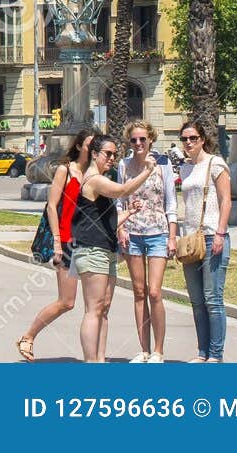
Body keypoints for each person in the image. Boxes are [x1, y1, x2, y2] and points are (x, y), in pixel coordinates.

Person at [17, 128, 97, 361]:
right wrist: (57, 243)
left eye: (96, 146)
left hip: (89, 242)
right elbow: (52, 206)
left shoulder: (96, 173)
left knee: (96, 305)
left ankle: (94, 358)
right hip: (67, 242)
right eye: (89, 145)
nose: (92, 150)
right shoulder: (65, 169)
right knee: (67, 301)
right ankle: (28, 336)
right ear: (80, 145)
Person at [72, 134, 153, 362]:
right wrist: (147, 171)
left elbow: (103, 220)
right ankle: (91, 363)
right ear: (94, 154)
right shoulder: (94, 179)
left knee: (103, 308)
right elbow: (122, 190)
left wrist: (128, 213)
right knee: (94, 308)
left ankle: (100, 359)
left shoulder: (100, 179)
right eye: (107, 153)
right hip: (92, 250)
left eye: (115, 154)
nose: (112, 157)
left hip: (105, 249)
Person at [118, 119, 176, 363]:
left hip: (157, 232)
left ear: (151, 139)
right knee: (139, 292)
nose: (138, 143)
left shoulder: (163, 164)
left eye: (143, 139)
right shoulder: (124, 164)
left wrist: (173, 236)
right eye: (134, 140)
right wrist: (120, 227)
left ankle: (158, 351)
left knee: (154, 292)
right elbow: (119, 199)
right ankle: (143, 349)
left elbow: (171, 202)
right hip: (132, 232)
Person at [178, 119, 233, 362]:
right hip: (191, 238)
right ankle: (202, 353)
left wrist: (220, 232)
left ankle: (216, 354)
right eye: (184, 139)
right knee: (197, 300)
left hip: (212, 236)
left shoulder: (215, 163)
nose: (188, 143)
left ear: (202, 140)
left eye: (193, 138)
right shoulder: (184, 168)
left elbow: (226, 200)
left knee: (213, 299)